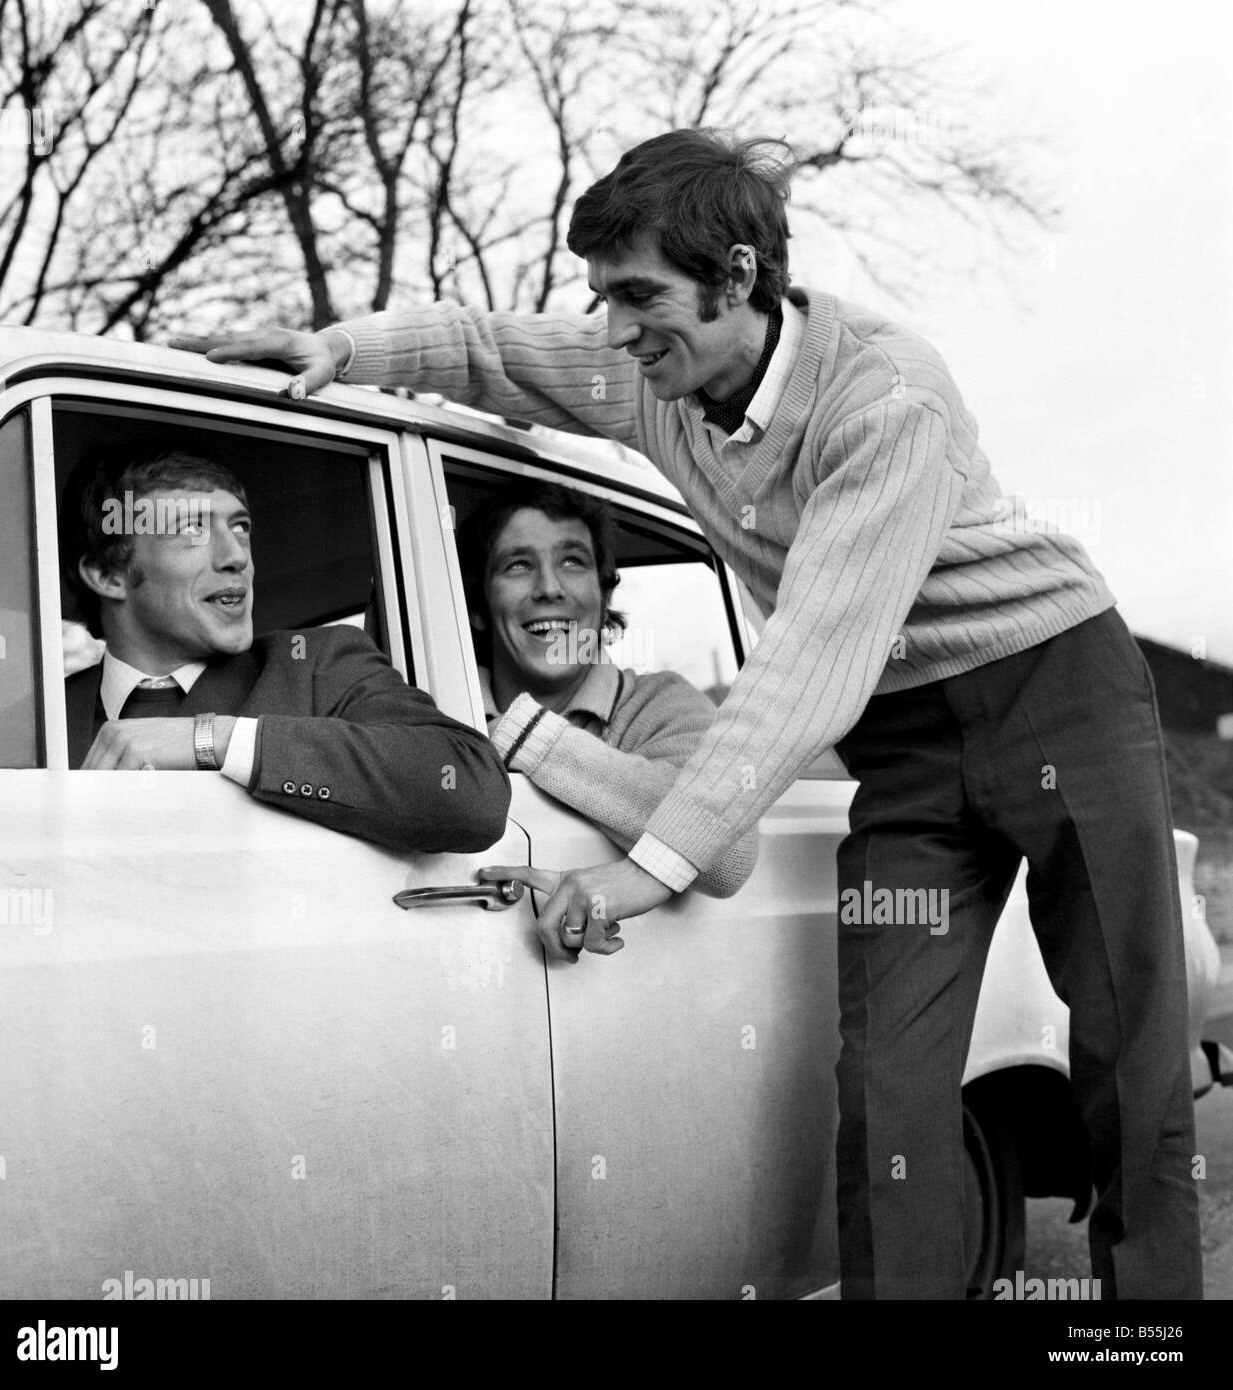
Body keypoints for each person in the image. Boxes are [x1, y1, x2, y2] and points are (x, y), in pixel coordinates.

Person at [171, 129, 1201, 1300]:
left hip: (1056, 691)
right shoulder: (650, 377)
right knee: (886, 1088)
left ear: (740, 277)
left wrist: (643, 872)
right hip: (904, 741)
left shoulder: (887, 398)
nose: (611, 329)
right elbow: (493, 348)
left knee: (1131, 1063)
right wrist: (343, 347)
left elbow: (806, 663)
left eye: (638, 296)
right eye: (603, 296)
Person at [63, 449, 510, 854]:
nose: (236, 555)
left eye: (241, 527)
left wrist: (215, 740)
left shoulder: (318, 665)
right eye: (193, 529)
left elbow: (473, 791)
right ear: (108, 576)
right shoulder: (28, 723)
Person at [456, 478, 757, 898]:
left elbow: (728, 856)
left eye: (572, 562)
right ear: (477, 609)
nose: (549, 588)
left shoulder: (663, 705)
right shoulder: (443, 712)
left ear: (603, 594)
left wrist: (520, 734)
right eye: (518, 565)